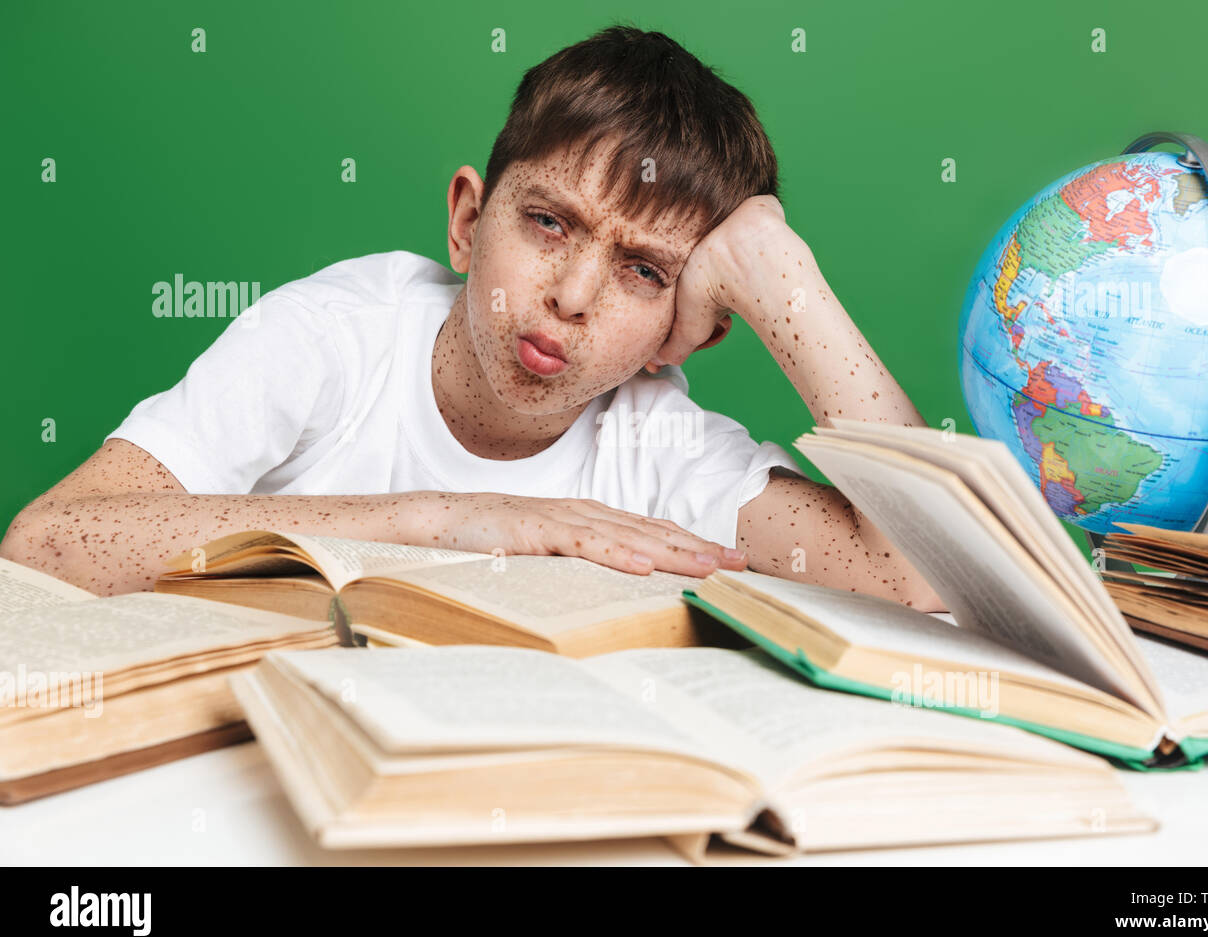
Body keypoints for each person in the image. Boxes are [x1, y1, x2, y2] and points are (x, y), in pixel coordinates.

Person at [0, 25, 944, 611]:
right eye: (546, 222)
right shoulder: (334, 339)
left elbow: (923, 573)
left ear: (680, 335)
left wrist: (787, 283)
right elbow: (46, 541)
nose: (571, 296)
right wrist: (439, 518)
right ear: (465, 221)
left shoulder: (656, 443)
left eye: (641, 272)